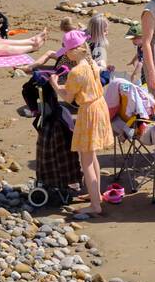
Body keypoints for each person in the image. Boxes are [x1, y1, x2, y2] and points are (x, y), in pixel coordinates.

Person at [48, 30, 113, 216]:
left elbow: (68, 98)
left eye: (67, 51)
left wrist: (54, 84)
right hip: (99, 106)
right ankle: (96, 195)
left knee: (85, 161)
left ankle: (95, 206)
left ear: (75, 50)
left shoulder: (76, 71)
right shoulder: (92, 63)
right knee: (92, 157)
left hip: (88, 112)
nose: (66, 55)